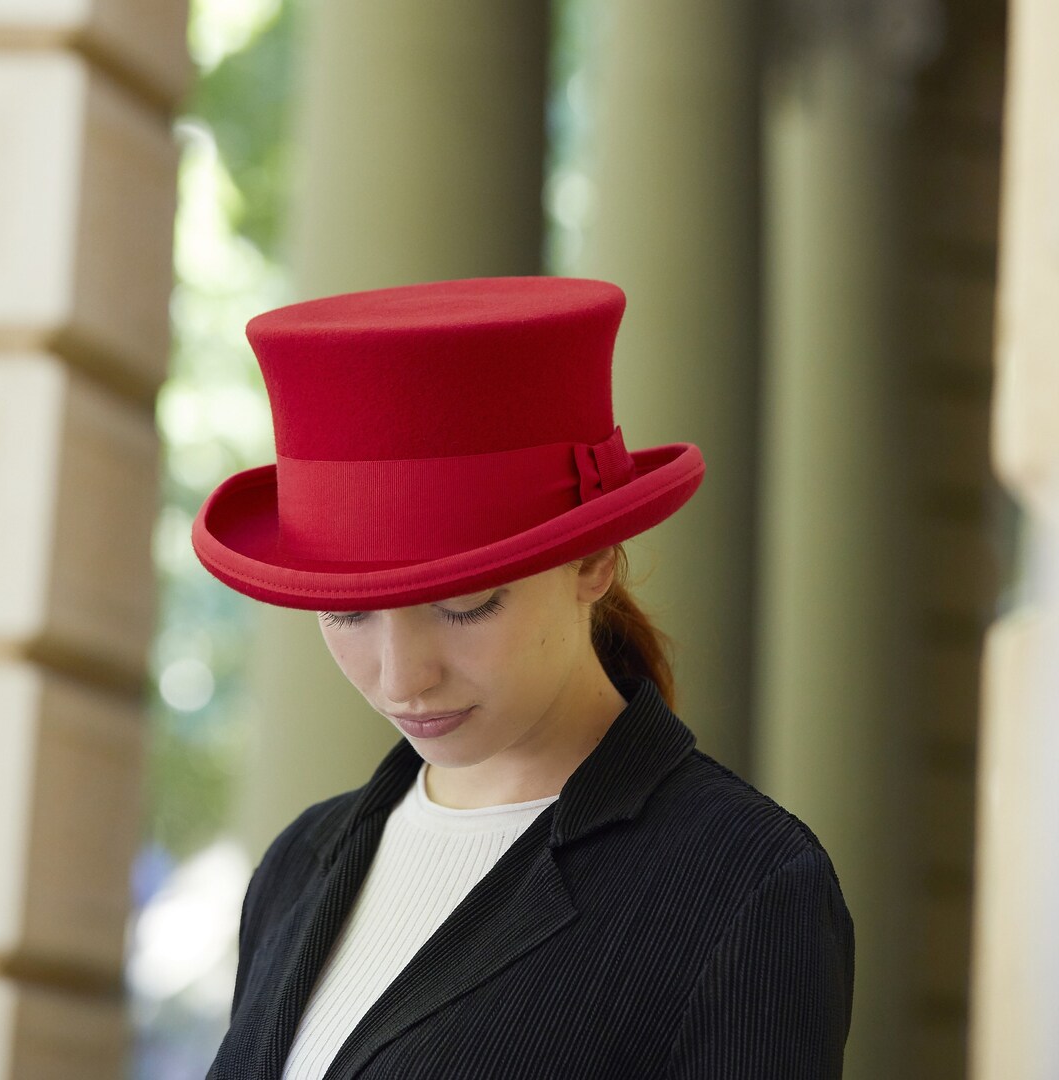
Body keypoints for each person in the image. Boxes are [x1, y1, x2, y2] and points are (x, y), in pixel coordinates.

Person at [193, 277, 854, 1079]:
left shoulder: (741, 884)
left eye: (467, 604)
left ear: (595, 557)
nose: (404, 678)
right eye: (348, 613)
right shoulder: (302, 863)